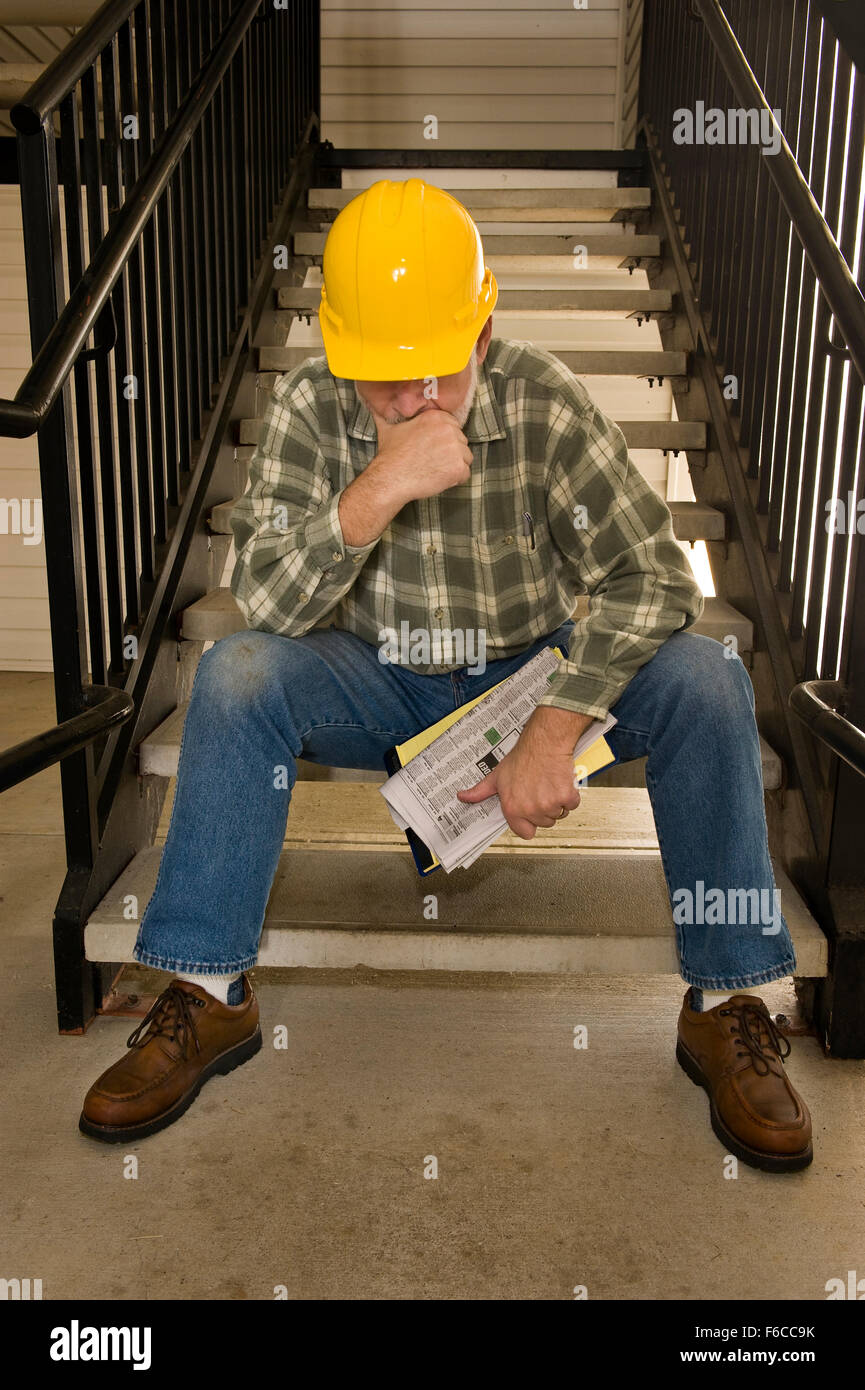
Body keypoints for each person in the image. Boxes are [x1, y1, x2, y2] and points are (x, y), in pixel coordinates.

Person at [80, 179, 812, 1172]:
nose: (416, 401)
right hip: (373, 671)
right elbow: (266, 599)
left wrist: (556, 724)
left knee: (707, 675)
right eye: (386, 380)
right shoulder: (306, 402)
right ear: (344, 356)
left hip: (531, 669)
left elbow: (651, 576)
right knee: (237, 671)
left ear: (482, 333)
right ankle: (209, 992)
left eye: (438, 372)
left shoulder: (544, 401)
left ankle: (726, 1000)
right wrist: (378, 487)